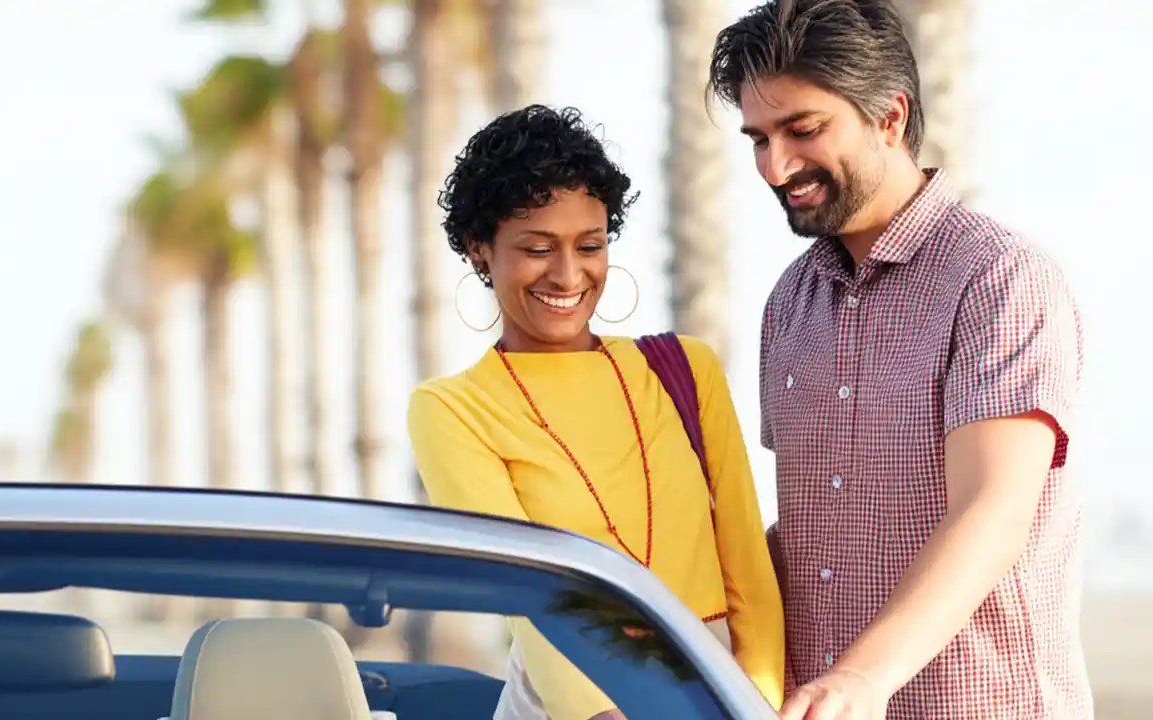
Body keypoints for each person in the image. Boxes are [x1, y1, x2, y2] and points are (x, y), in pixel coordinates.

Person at [708, 1, 1091, 718]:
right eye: (758, 138)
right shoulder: (789, 302)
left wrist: (859, 678)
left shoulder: (999, 279)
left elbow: (992, 509)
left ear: (890, 117)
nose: (776, 166)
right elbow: (808, 532)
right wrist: (672, 665)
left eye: (803, 129)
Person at [406, 104, 784, 719]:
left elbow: (748, 571)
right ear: (480, 250)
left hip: (717, 695)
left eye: (589, 245)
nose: (567, 275)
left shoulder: (685, 370)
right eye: (537, 248)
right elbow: (527, 597)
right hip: (570, 706)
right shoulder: (453, 409)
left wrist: (759, 703)